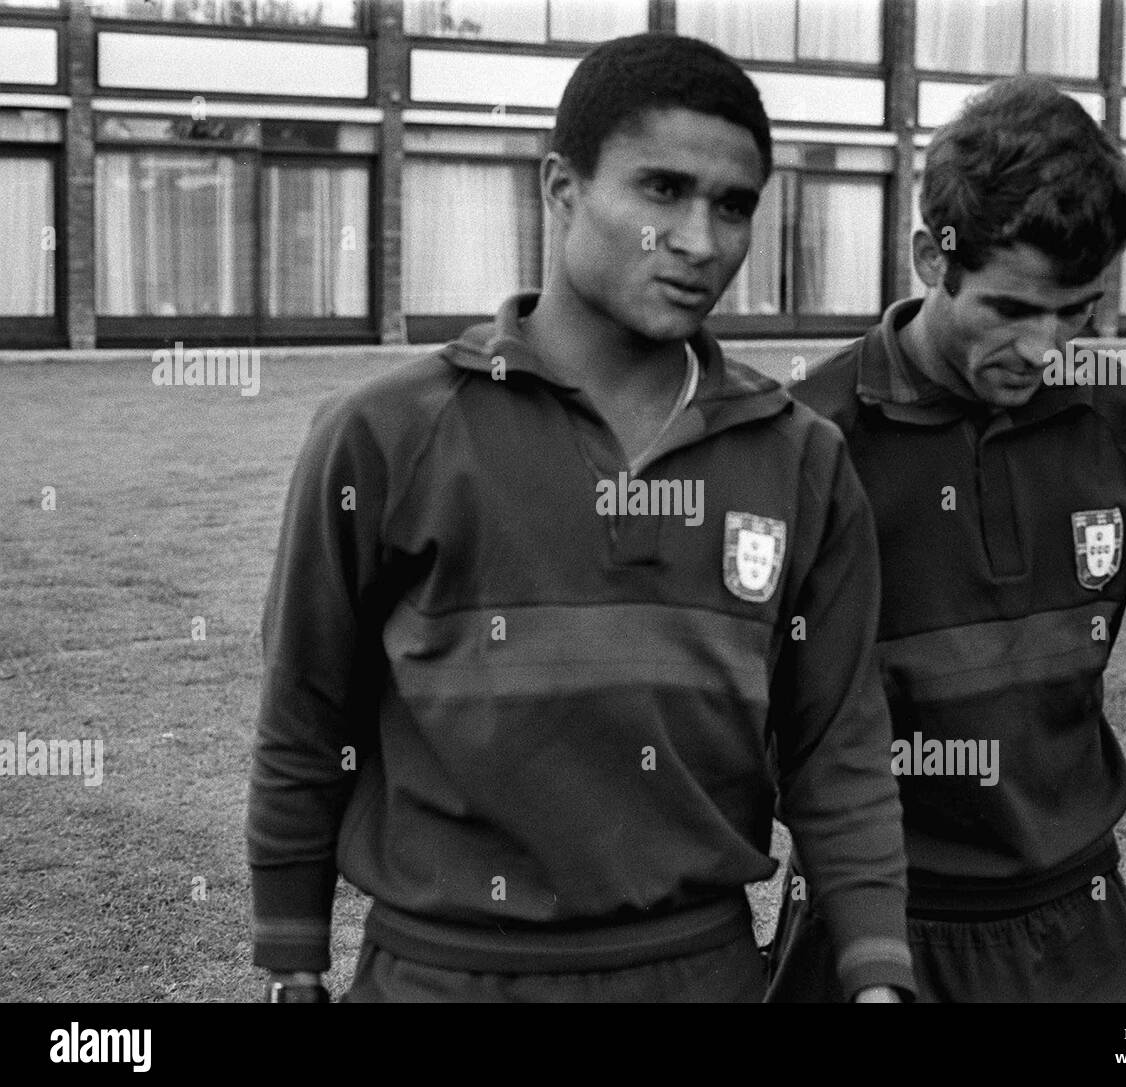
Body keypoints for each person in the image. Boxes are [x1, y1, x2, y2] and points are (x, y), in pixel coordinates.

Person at [247, 32, 912, 1004]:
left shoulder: (799, 457)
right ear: (560, 188)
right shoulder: (386, 435)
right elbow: (304, 721)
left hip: (701, 973)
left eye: (733, 206)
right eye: (661, 190)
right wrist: (288, 960)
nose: (699, 239)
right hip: (443, 975)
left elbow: (837, 749)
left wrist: (875, 974)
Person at [769, 75, 1126, 1003]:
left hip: (1082, 919)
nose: (1048, 346)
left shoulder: (1114, 416)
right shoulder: (808, 444)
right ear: (927, 256)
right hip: (882, 928)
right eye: (1013, 310)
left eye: (1080, 309)